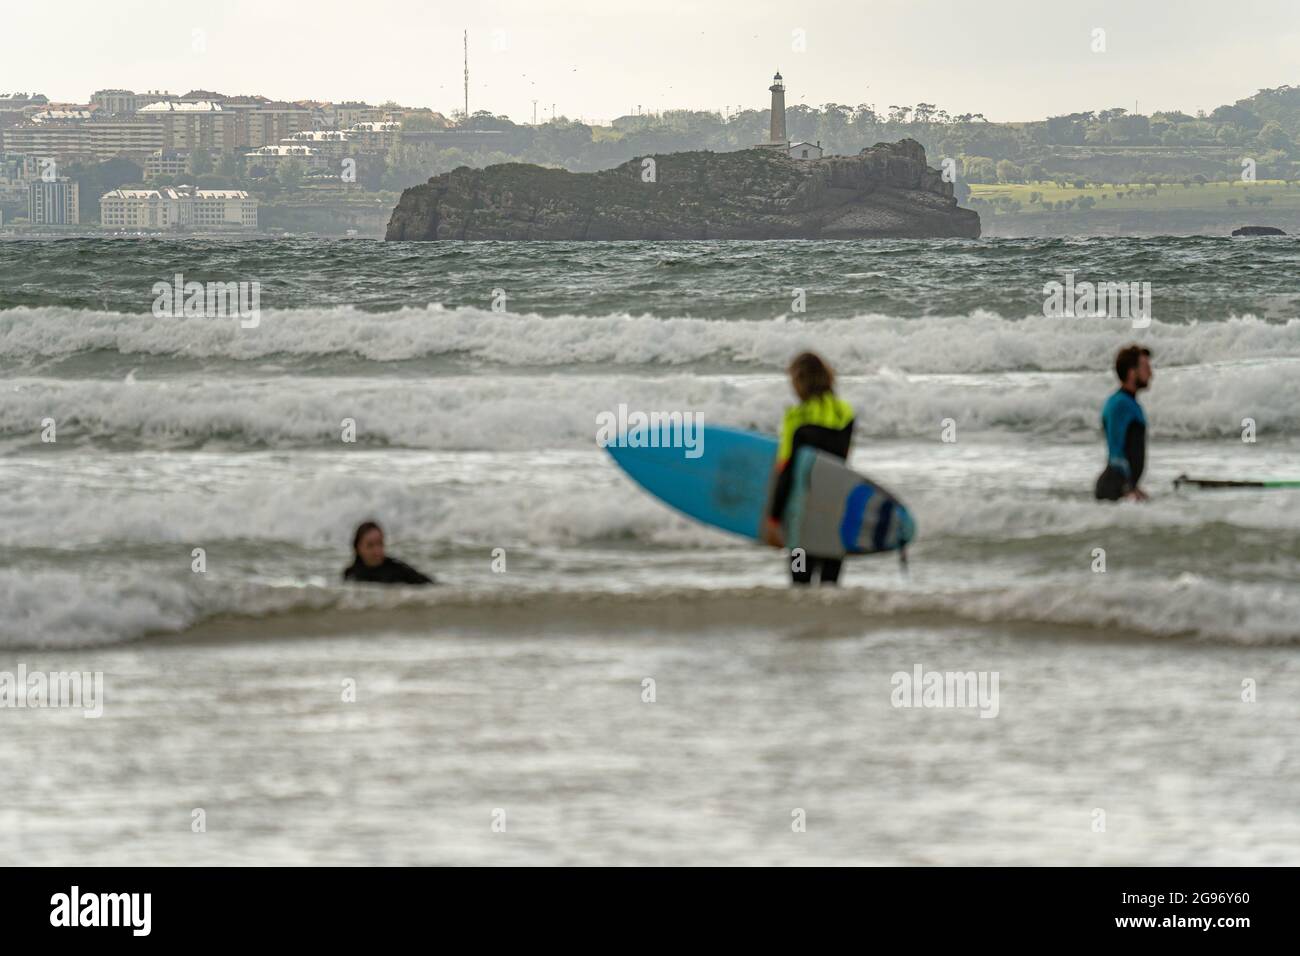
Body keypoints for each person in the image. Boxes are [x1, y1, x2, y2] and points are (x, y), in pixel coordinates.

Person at [763, 352, 855, 585]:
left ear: (801, 380)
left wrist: (773, 517)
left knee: (800, 583)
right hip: (837, 512)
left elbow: (787, 471)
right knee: (830, 587)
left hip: (802, 515)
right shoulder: (845, 412)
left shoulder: (796, 417)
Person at [1095, 344, 1152, 502]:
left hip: (1121, 487)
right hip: (1113, 488)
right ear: (1132, 372)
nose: (1151, 373)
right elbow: (1116, 450)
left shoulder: (1129, 403)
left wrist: (1133, 486)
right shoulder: (1120, 404)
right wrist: (1127, 488)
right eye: (1145, 367)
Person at [342, 521, 434, 584]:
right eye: (370, 545)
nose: (377, 550)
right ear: (358, 548)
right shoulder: (350, 574)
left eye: (380, 544)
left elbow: (430, 585)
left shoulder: (398, 569)